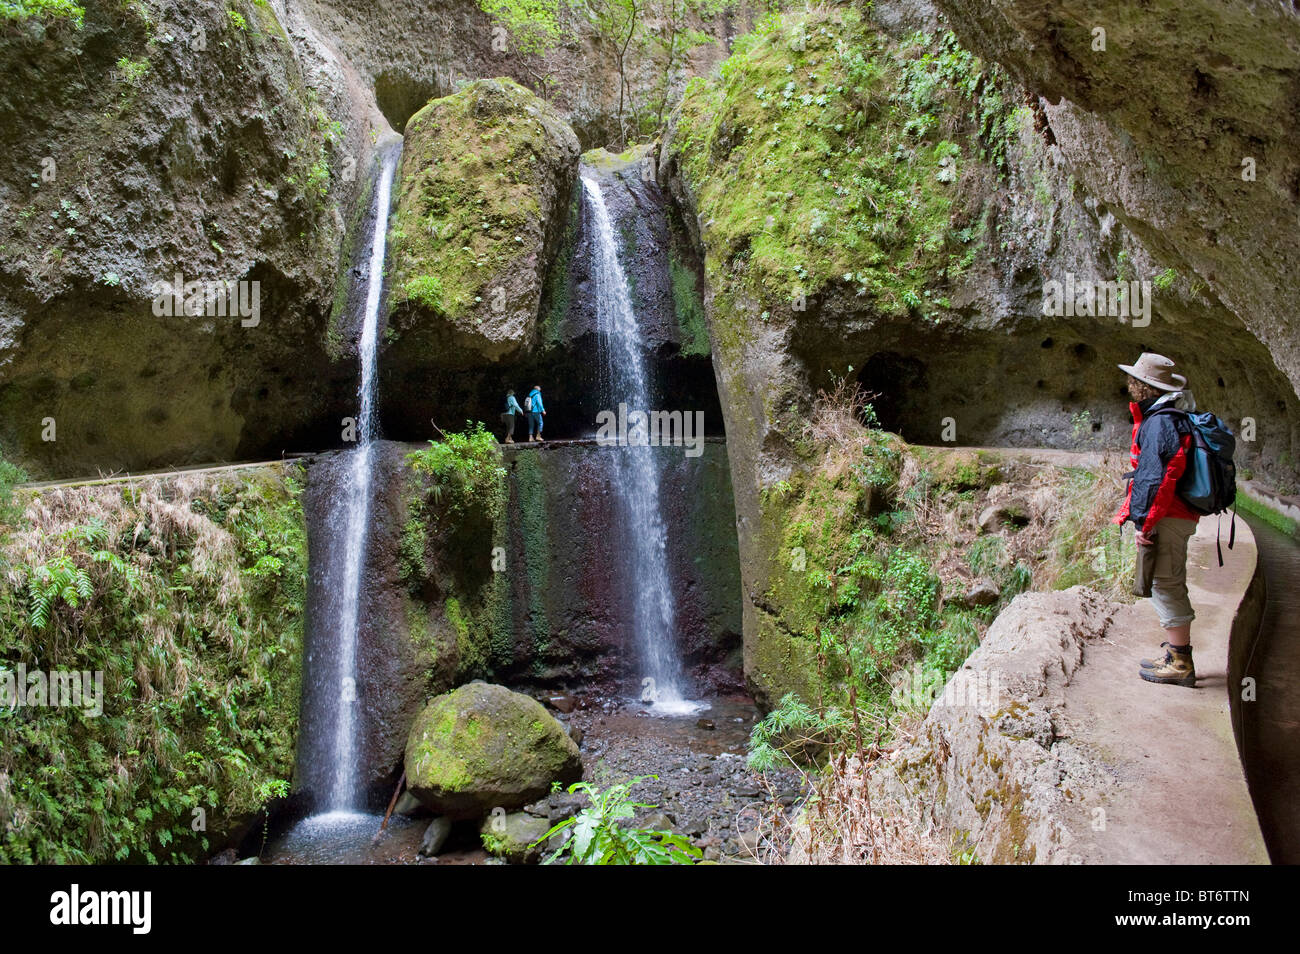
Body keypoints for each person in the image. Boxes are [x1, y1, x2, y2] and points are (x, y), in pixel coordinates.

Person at [1112, 352, 1201, 687]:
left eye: (1133, 380)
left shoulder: (1161, 421)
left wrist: (1145, 525)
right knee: (1167, 579)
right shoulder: (1170, 416)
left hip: (1168, 516)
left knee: (1166, 582)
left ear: (1144, 386)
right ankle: (1175, 655)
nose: (1129, 384)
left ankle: (1181, 663)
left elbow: (1158, 478)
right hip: (1176, 514)